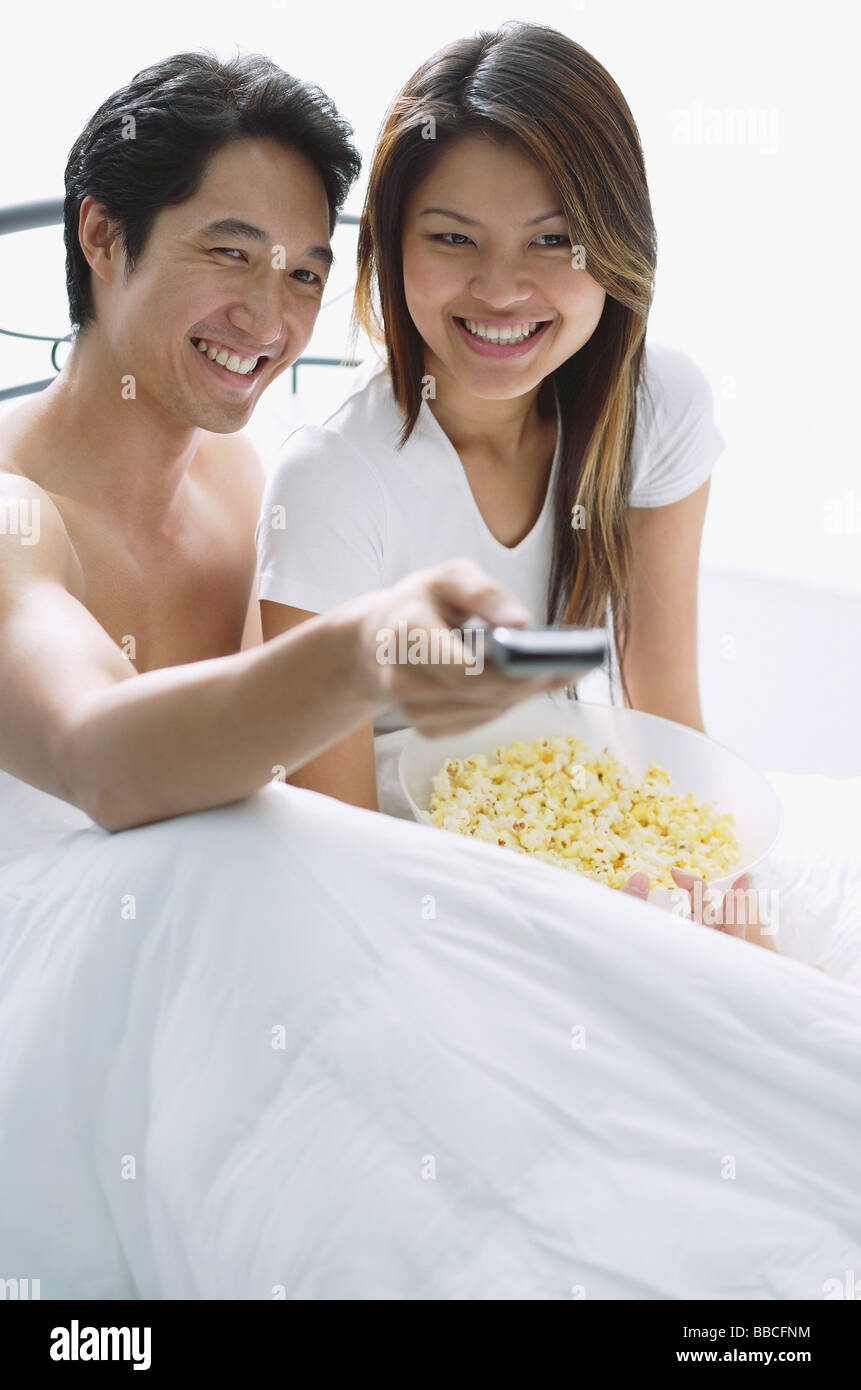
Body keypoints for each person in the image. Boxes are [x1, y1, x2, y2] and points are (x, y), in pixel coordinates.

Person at [256, 22, 724, 821]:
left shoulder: (656, 409)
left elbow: (661, 708)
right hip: (411, 875)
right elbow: (336, 838)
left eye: (552, 240)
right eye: (452, 238)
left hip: (570, 830)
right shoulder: (333, 479)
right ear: (391, 247)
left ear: (615, 245)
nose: (500, 290)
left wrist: (703, 872)